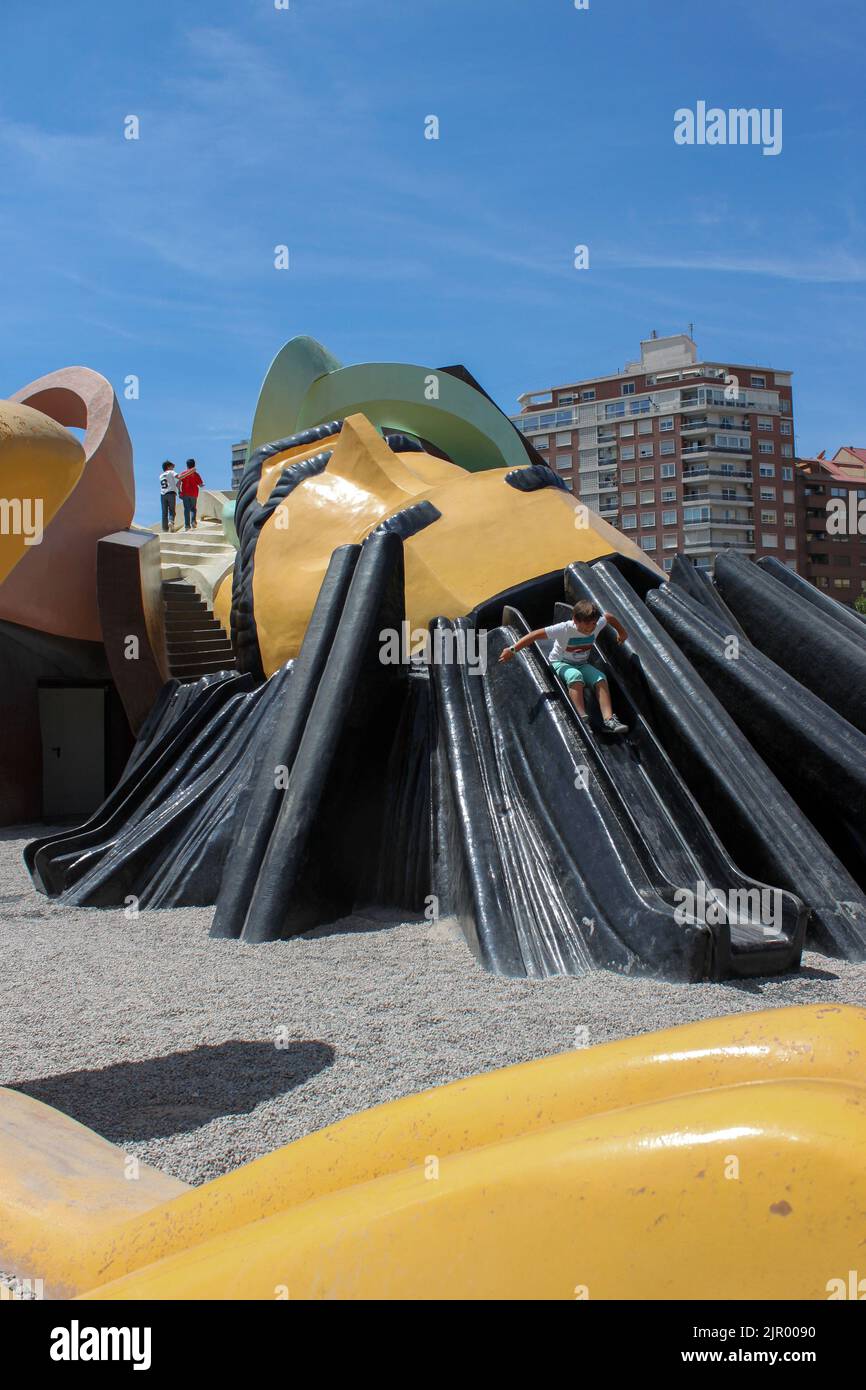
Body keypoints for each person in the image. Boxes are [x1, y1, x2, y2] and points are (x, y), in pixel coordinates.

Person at [498, 598, 629, 733]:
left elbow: (608, 617)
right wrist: (512, 650)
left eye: (593, 625)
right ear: (575, 620)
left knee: (600, 678)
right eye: (586, 626)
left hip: (581, 663)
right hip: (560, 663)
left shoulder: (596, 623)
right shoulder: (564, 628)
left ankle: (609, 719)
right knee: (575, 676)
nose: (590, 629)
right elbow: (534, 635)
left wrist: (622, 632)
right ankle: (581, 719)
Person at [177, 458, 205, 530]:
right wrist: (202, 485)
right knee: (193, 508)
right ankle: (193, 521)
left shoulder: (183, 474)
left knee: (186, 509)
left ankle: (187, 526)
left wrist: (179, 491)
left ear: (187, 465)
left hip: (185, 493)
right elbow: (201, 484)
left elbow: (178, 484)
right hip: (194, 493)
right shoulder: (196, 474)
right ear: (194, 465)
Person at [159, 461, 178, 532]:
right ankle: (171, 521)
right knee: (172, 511)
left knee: (164, 512)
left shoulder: (161, 475)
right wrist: (189, 472)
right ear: (168, 467)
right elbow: (179, 477)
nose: (173, 468)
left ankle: (164, 529)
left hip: (163, 494)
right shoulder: (171, 472)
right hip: (171, 493)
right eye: (172, 466)